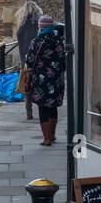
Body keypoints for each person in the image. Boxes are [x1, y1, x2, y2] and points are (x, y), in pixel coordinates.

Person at [25, 14, 67, 146]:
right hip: (57, 79)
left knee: (43, 107)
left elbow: (30, 61)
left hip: (41, 80)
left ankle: (46, 138)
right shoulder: (60, 41)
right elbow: (64, 60)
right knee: (53, 107)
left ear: (40, 27)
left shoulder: (36, 41)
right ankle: (53, 135)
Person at [15, 0, 43, 121]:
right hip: (39, 58)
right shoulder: (39, 25)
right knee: (41, 84)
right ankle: (42, 110)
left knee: (27, 86)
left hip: (25, 59)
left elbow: (20, 42)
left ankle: (29, 113)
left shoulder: (21, 26)